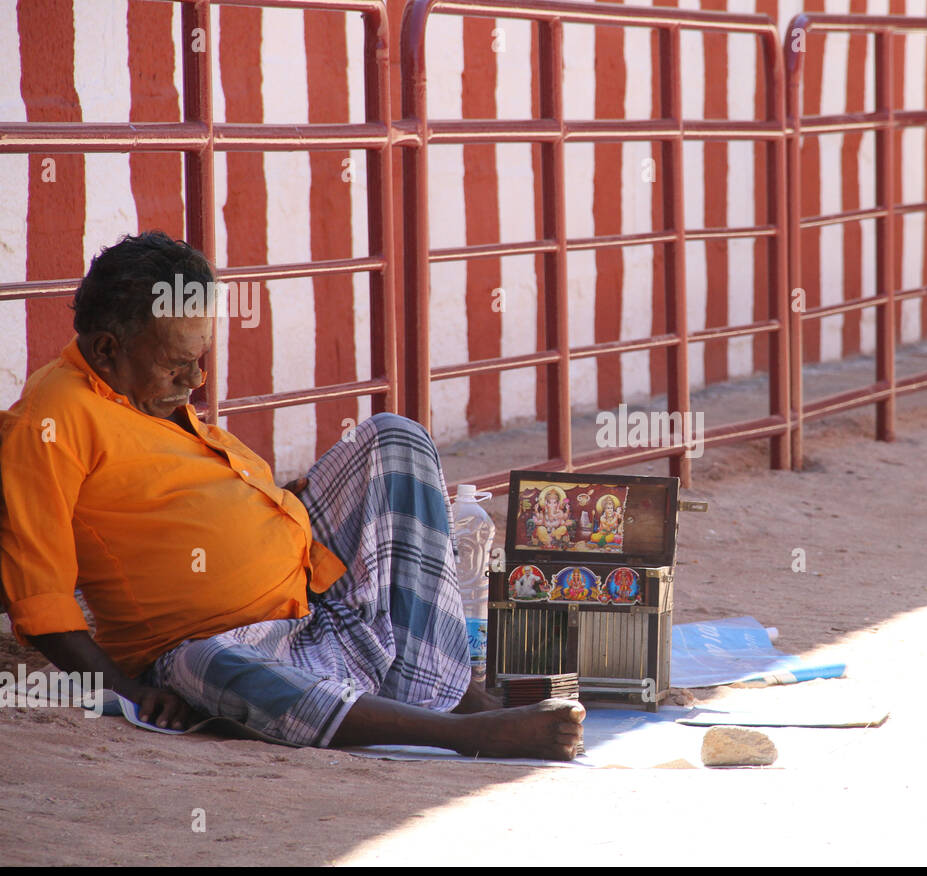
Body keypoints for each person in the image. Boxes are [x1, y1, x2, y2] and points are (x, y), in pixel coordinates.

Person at [0, 232, 583, 759]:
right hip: (208, 645)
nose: (196, 380)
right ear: (106, 350)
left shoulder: (140, 388)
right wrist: (128, 691)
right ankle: (463, 731)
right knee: (210, 669)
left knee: (394, 438)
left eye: (200, 358)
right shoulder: (51, 420)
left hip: (313, 595)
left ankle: (440, 688)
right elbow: (42, 602)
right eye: (179, 363)